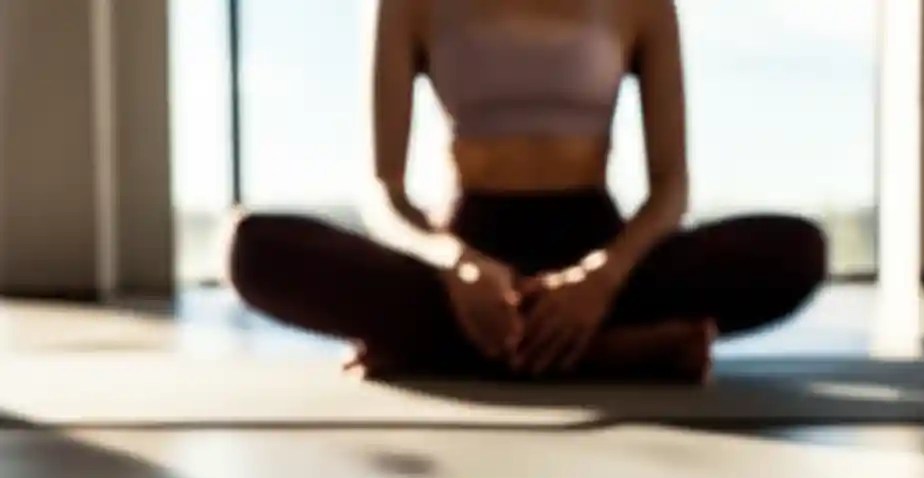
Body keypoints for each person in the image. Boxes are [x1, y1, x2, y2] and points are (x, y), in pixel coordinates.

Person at [227, 0, 827, 383]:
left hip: (593, 254)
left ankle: (439, 351)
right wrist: (454, 263)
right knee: (252, 247)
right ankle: (610, 354)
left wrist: (603, 276)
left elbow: (671, 187)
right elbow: (383, 189)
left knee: (795, 250)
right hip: (468, 263)